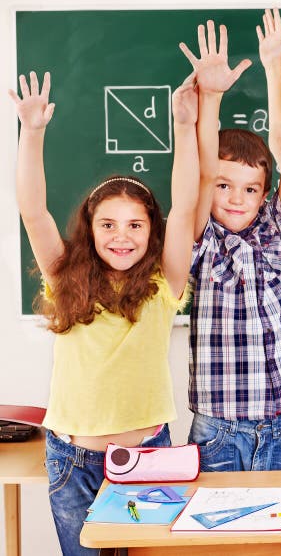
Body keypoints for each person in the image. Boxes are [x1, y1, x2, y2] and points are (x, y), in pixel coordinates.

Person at [9, 70, 198, 555]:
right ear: (89, 229)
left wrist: (183, 126)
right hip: (72, 460)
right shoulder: (64, 277)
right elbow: (33, 212)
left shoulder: (163, 284)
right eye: (108, 224)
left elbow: (185, 207)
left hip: (146, 457)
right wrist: (31, 133)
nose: (122, 236)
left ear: (151, 231)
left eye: (136, 225)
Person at [178, 0, 281, 471]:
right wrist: (211, 97)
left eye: (250, 189)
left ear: (264, 193)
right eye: (226, 185)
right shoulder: (198, 237)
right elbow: (202, 172)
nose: (236, 199)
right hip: (219, 424)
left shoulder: (275, 227)